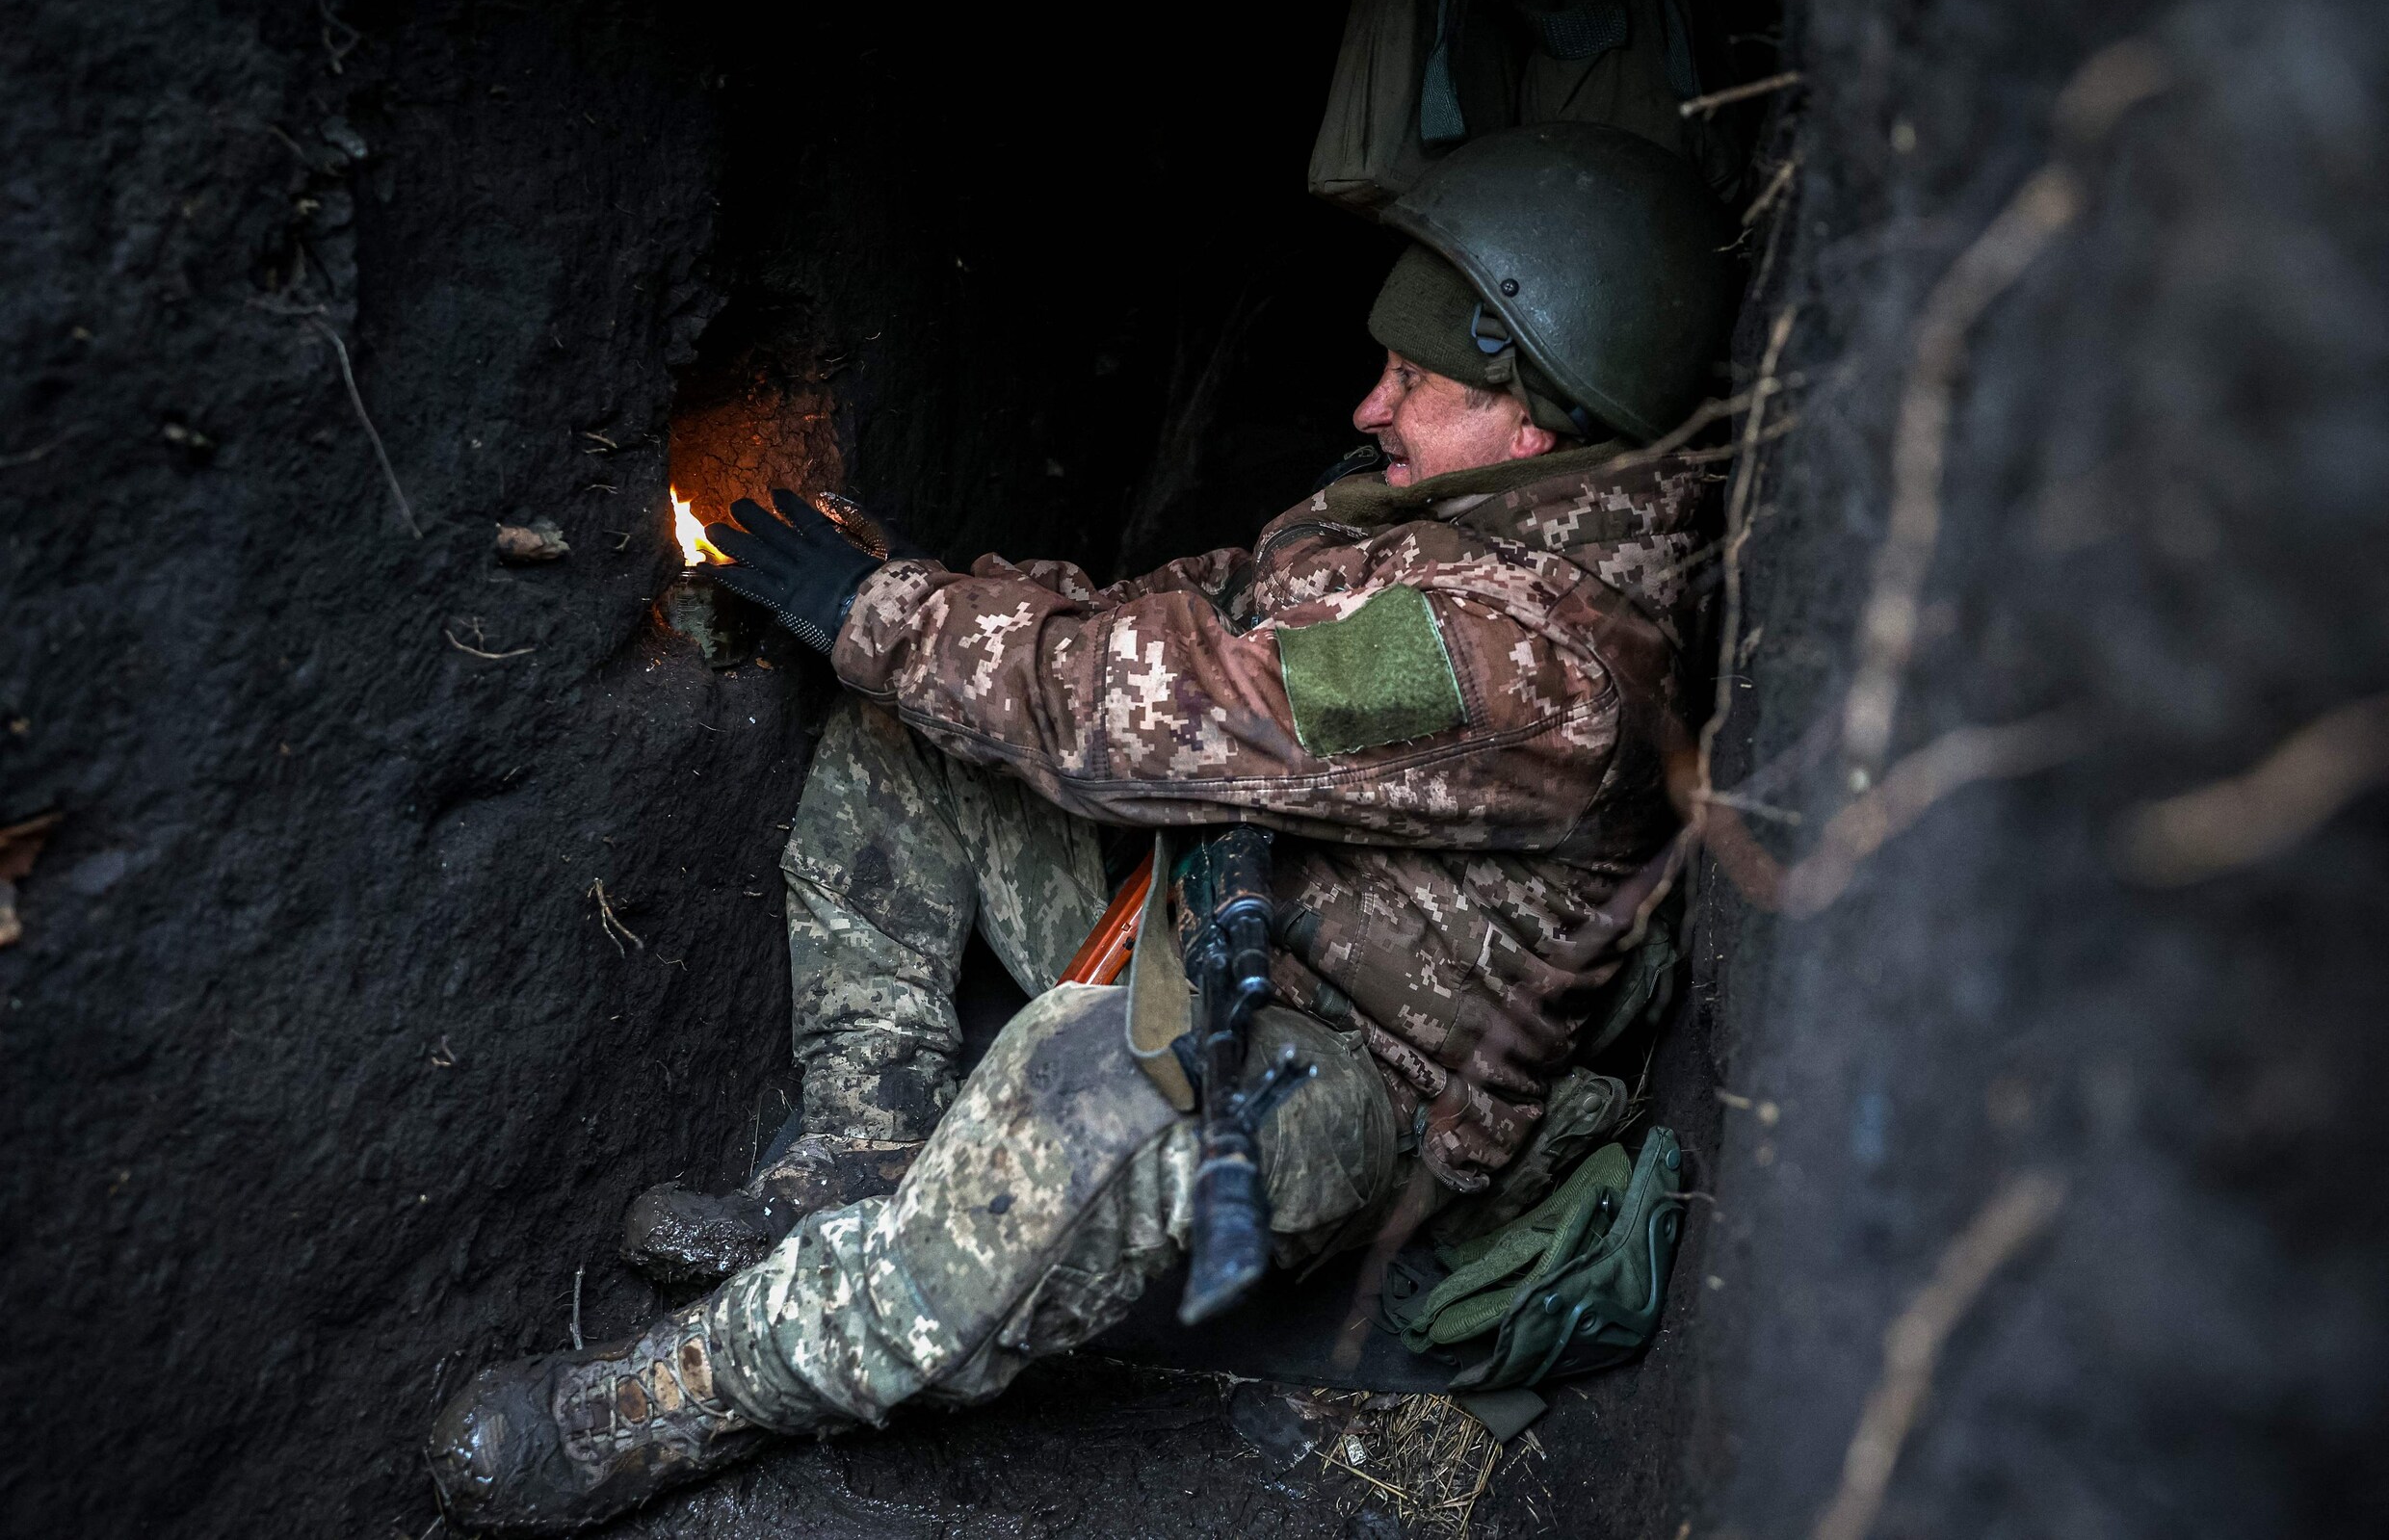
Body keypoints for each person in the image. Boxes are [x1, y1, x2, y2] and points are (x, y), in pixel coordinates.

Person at [427, 121, 1735, 1533]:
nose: (1371, 404)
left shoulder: (1535, 666)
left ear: (1533, 417)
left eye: (1413, 380)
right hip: (1227, 912)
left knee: (1079, 1076)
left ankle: (683, 1395)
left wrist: (879, 612)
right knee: (910, 731)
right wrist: (922, 600)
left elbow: (1187, 709)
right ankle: (861, 1147)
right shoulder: (1459, 514)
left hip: (1356, 1078)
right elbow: (1182, 619)